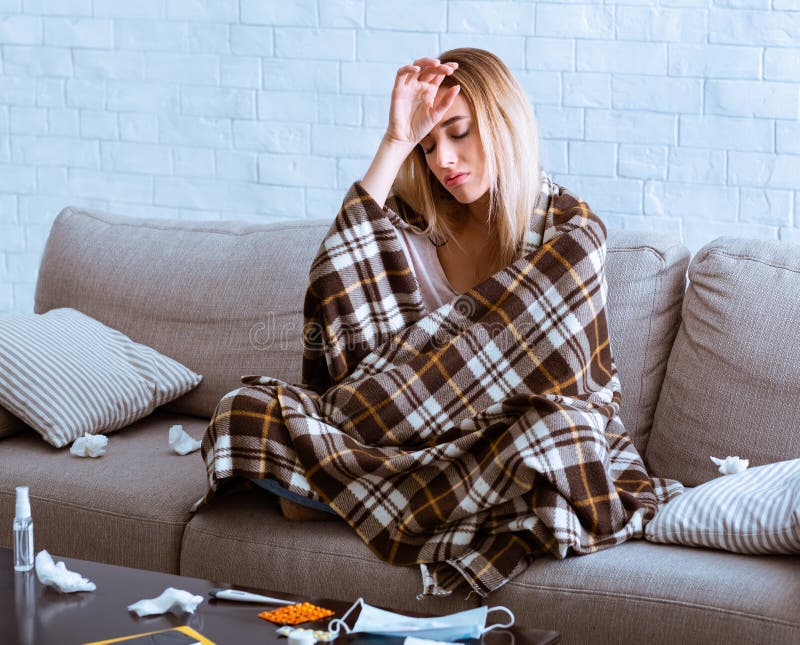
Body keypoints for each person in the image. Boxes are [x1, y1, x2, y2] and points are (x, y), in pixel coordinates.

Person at [270, 48, 546, 520]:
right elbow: (333, 276)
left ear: (504, 123)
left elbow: (568, 380)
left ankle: (377, 495)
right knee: (250, 411)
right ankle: (426, 497)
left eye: (458, 132)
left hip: (488, 433)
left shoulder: (564, 236)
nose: (445, 160)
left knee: (562, 430)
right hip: (390, 424)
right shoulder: (411, 224)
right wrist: (397, 139)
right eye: (429, 145)